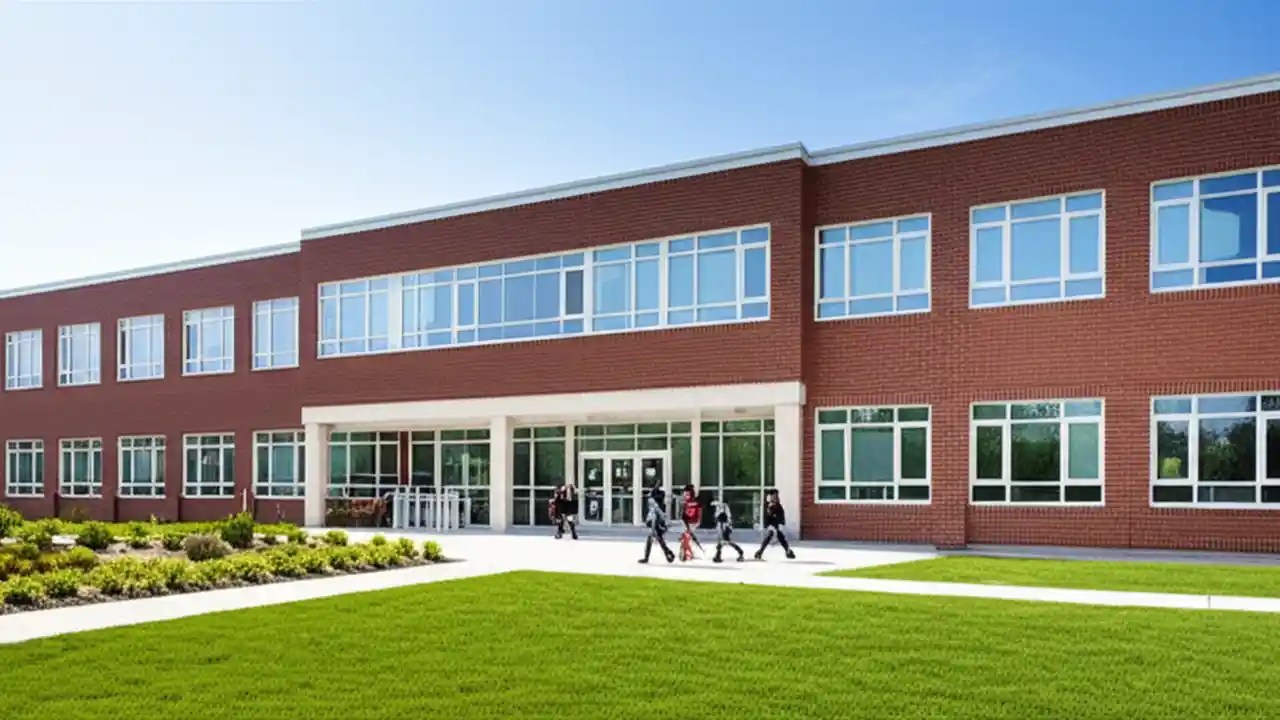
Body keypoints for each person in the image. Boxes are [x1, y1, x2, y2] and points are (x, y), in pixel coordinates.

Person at [639, 480, 675, 564]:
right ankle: (668, 554)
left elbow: (657, 505)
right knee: (656, 538)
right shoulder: (651, 496)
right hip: (653, 519)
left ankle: (668, 554)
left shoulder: (659, 494)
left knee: (655, 537)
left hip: (657, 519)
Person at [754, 488, 795, 560]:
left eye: (776, 495)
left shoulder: (777, 505)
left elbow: (781, 514)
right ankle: (760, 552)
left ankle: (788, 551)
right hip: (770, 524)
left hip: (776, 524)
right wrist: (767, 524)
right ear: (771, 495)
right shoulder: (768, 505)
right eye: (774, 495)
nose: (775, 496)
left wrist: (781, 523)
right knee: (770, 535)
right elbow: (766, 515)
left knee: (780, 537)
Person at [678, 484, 704, 561]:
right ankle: (687, 553)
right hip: (686, 522)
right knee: (685, 538)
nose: (685, 495)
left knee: (686, 538)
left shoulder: (696, 502)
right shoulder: (685, 502)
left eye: (687, 494)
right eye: (685, 494)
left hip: (693, 522)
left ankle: (687, 553)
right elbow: (684, 513)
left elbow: (700, 511)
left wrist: (699, 521)